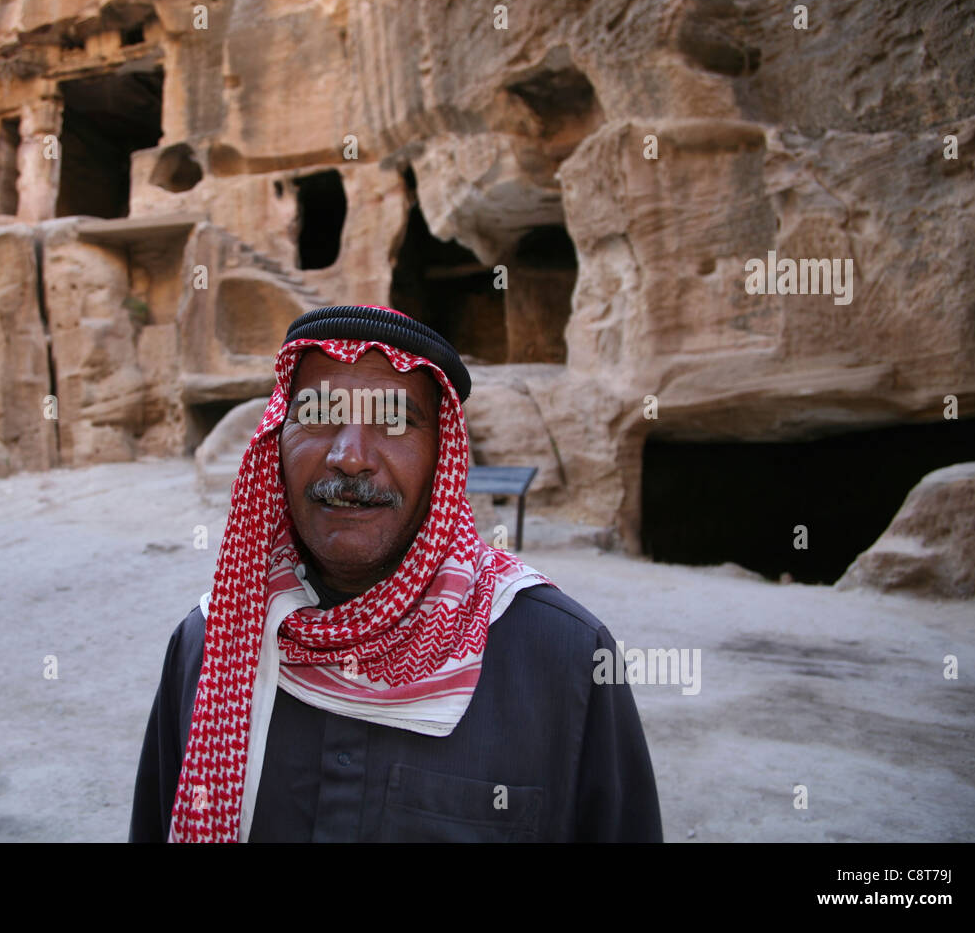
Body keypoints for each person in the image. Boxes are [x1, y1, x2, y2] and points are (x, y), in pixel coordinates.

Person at [129, 304, 662, 842]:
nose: (351, 456)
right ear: (278, 440)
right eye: (316, 415)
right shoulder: (209, 646)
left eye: (395, 421)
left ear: (441, 457)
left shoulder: (565, 659)